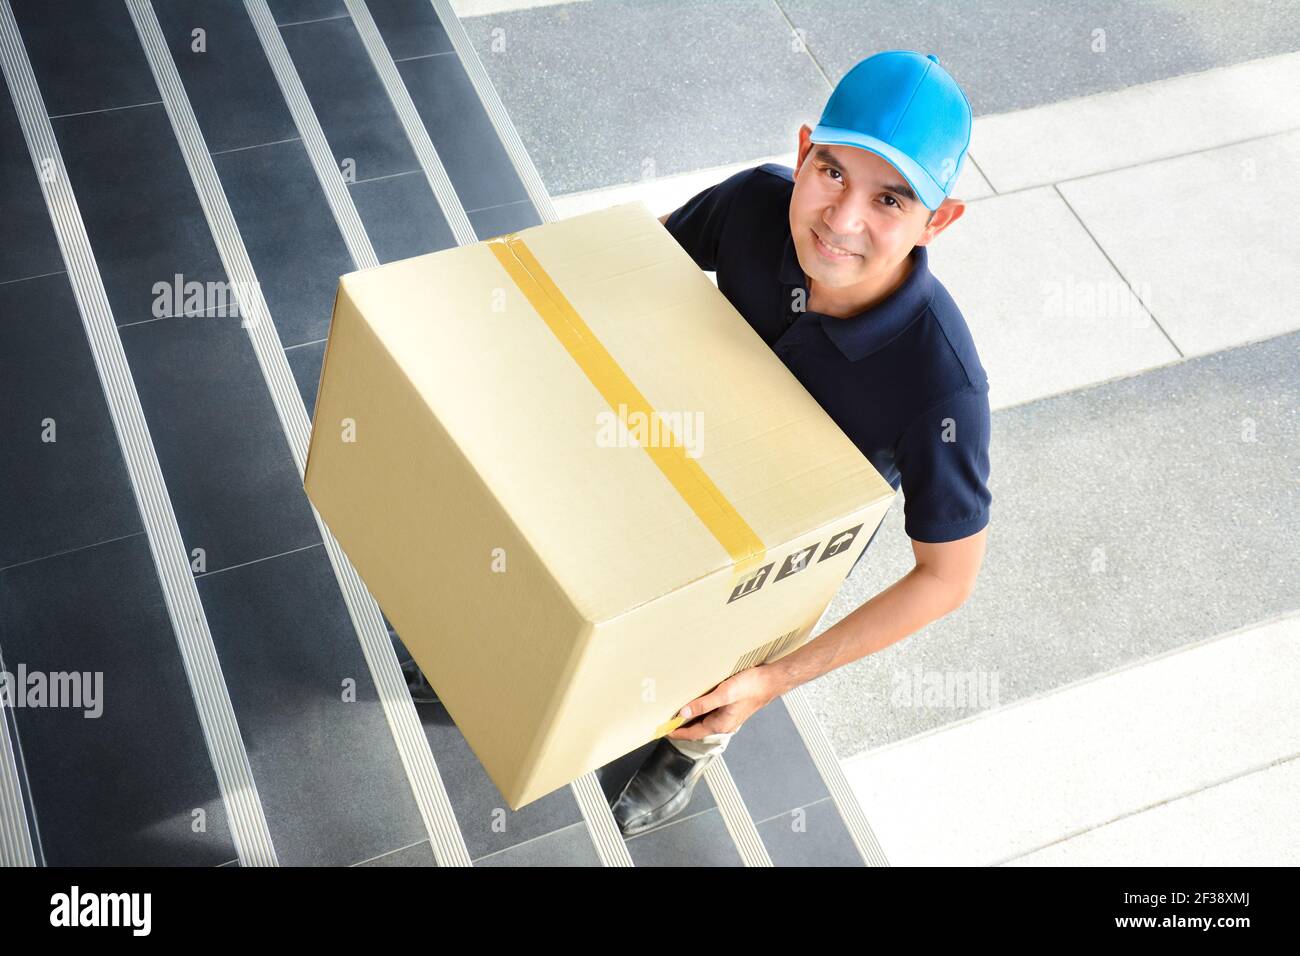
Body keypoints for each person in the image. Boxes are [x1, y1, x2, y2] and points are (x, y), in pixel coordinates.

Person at [608, 50, 992, 837]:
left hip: (785, 544)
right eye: (831, 173)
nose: (842, 220)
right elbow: (648, 265)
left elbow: (945, 578)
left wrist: (773, 679)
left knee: (716, 680)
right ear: (802, 152)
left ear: (938, 221)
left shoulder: (940, 385)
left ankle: (688, 752)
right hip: (686, 454)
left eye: (891, 198)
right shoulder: (753, 203)